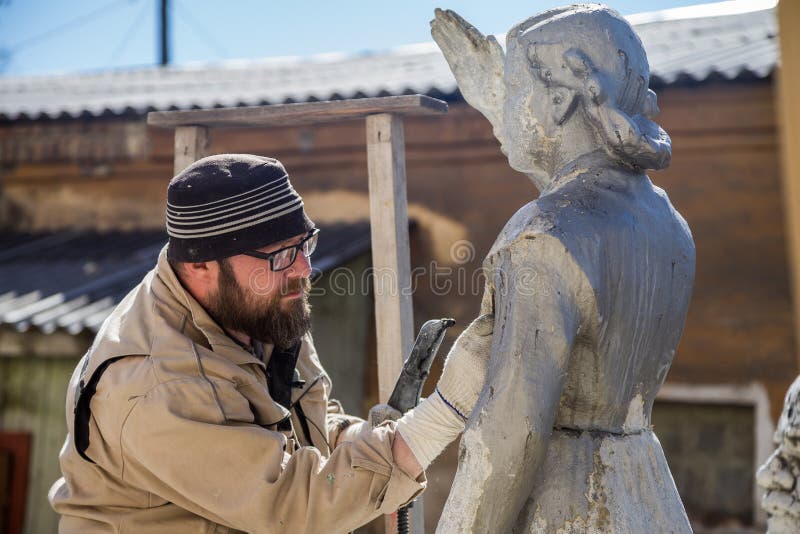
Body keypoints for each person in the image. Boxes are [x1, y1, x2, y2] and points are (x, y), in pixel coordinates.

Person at [48, 154, 493, 533]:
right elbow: (293, 506)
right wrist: (441, 416)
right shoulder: (155, 384)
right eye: (280, 254)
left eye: (304, 244)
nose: (303, 269)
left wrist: (370, 437)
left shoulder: (258, 311)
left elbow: (305, 429)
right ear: (201, 265)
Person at [431, 5, 694, 532]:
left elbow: (511, 434)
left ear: (557, 102)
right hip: (646, 494)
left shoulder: (540, 237)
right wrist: (507, 109)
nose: (503, 108)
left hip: (568, 502)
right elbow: (578, 194)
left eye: (513, 92)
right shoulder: (668, 221)